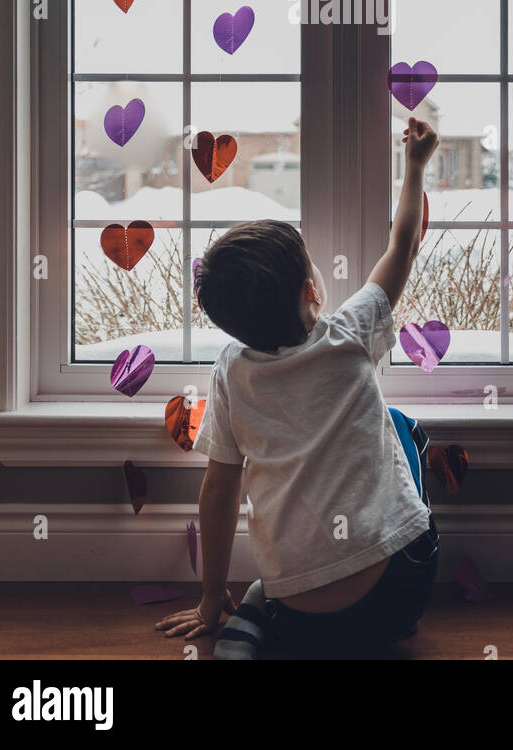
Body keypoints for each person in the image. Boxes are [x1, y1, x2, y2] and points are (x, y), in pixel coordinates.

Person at [156, 116, 439, 659]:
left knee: (272, 594)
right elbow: (401, 246)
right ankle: (371, 624)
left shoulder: (232, 372)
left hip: (303, 619)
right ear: (313, 290)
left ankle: (249, 623)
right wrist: (416, 166)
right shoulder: (350, 332)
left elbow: (218, 492)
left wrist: (212, 597)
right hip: (402, 593)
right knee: (405, 430)